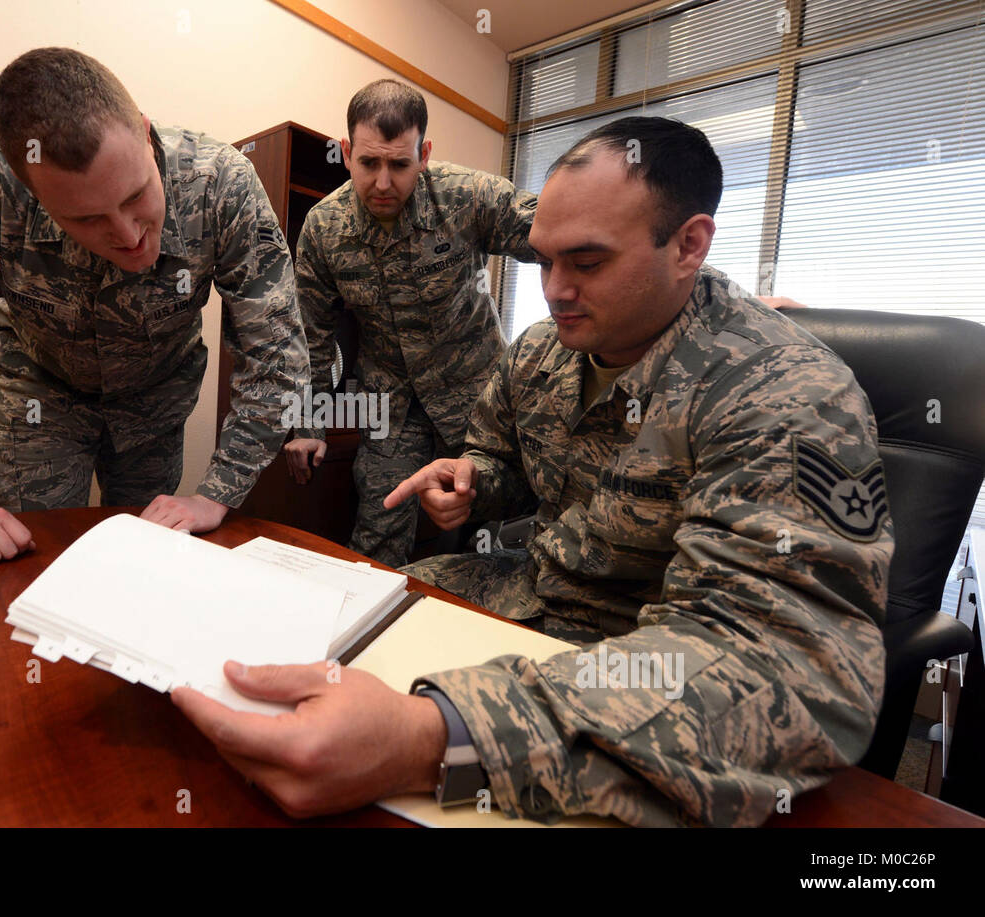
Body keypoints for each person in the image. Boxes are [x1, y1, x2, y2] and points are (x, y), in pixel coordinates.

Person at [172, 116, 893, 827]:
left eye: (586, 262)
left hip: (639, 647)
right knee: (320, 622)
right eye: (543, 260)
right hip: (534, 594)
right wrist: (473, 480)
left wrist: (435, 740)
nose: (553, 290)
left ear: (689, 246)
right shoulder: (540, 353)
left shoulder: (783, 389)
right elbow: (500, 456)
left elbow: (788, 676)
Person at [0, 47, 308, 567]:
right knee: (33, 569)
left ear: (144, 130)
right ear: (26, 189)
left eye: (137, 196)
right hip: (40, 398)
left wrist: (217, 493)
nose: (129, 235)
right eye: (87, 219)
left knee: (147, 565)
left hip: (155, 401)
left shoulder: (221, 183)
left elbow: (276, 356)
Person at [282, 79, 539, 567]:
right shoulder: (323, 227)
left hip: (476, 398)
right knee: (380, 524)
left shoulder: (467, 196)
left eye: (399, 165)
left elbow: (555, 234)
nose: (383, 183)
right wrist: (308, 422)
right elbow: (312, 334)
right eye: (368, 163)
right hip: (391, 404)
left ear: (423, 153)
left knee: (484, 531)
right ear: (345, 151)